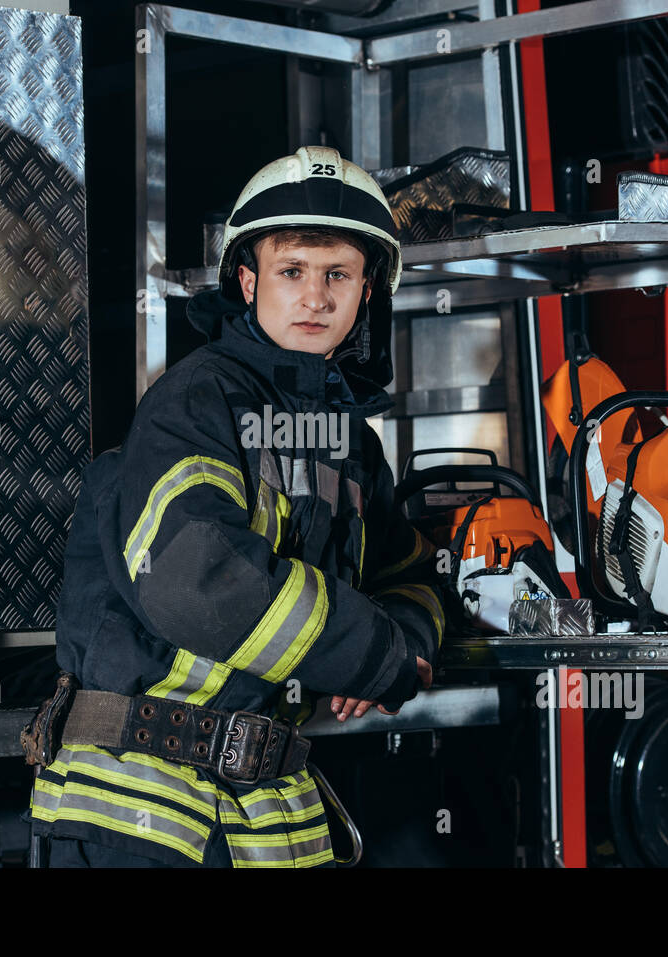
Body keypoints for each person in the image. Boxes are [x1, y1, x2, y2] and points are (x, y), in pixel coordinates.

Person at [27, 146, 444, 867]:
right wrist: (368, 653)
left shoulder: (348, 443)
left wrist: (403, 639)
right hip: (135, 818)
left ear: (367, 290)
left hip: (261, 817)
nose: (315, 297)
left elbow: (410, 574)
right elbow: (194, 577)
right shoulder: (197, 402)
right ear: (247, 281)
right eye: (292, 272)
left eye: (337, 275)